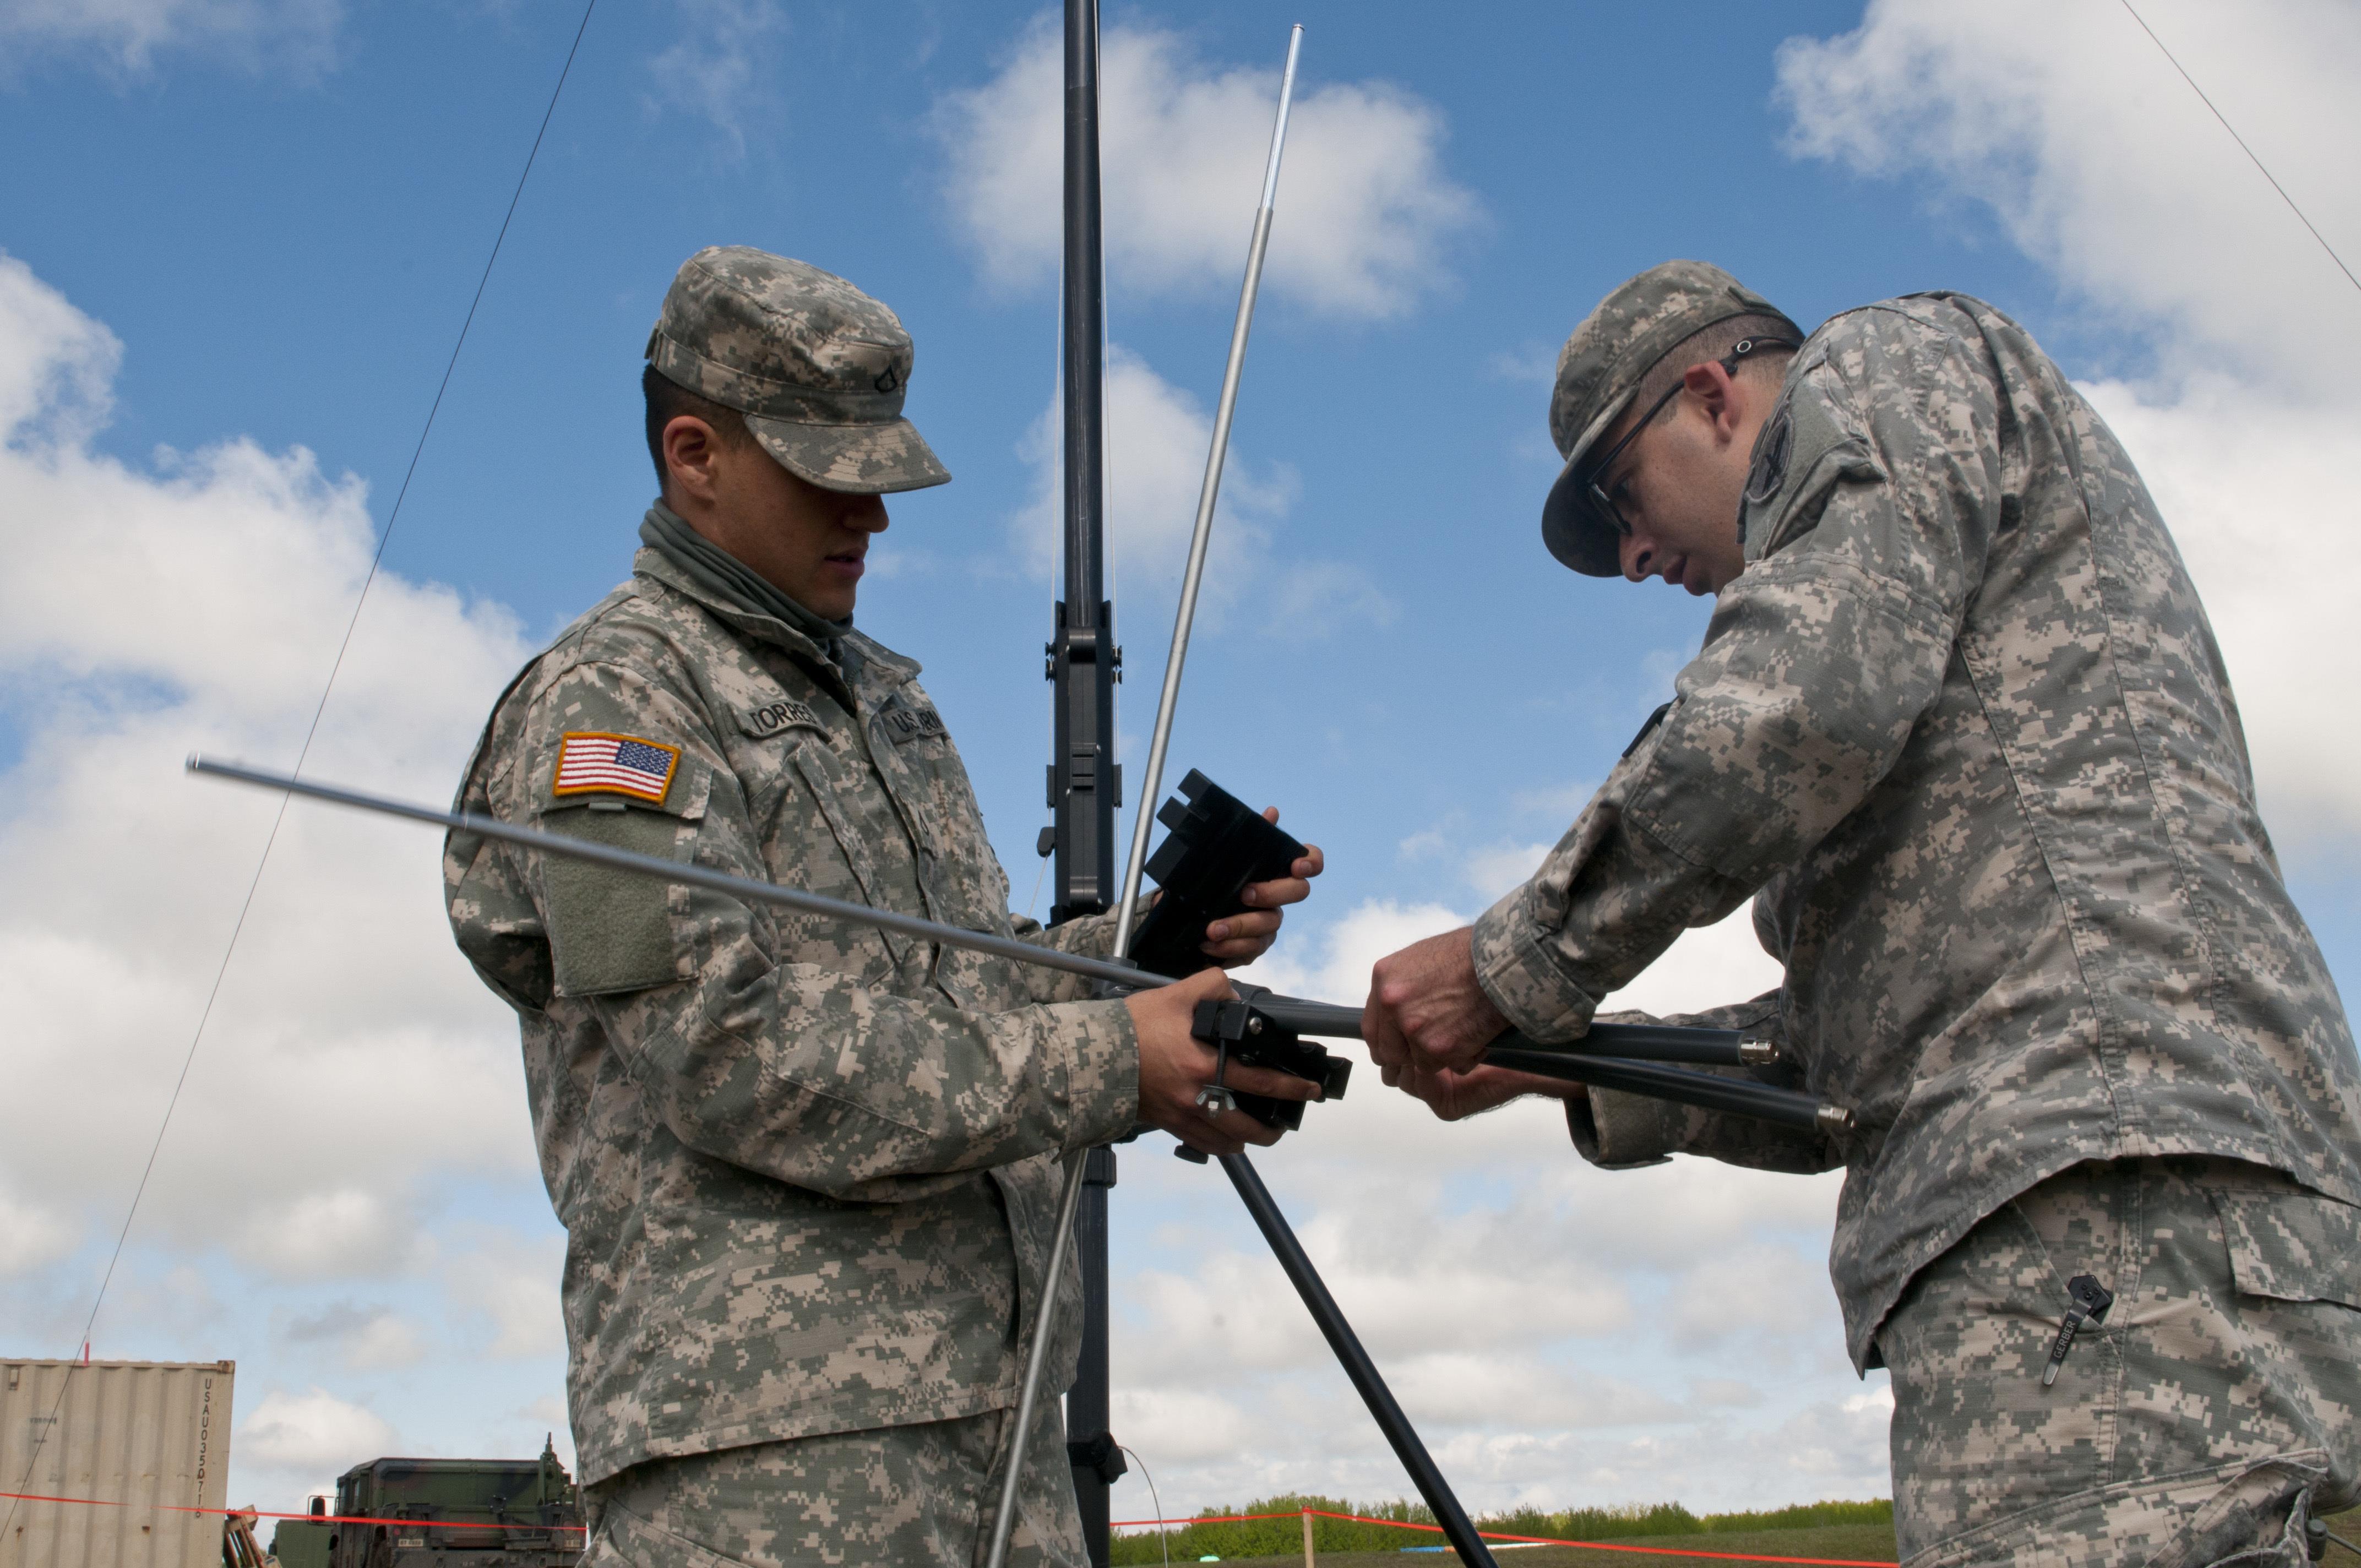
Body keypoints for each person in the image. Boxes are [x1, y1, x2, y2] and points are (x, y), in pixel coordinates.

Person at [1361, 260, 2361, 1567]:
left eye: (1619, 495)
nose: (1630, 556)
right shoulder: (1906, 658)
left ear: (1712, 395)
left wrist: (1511, 962)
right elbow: (1844, 1047)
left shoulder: (1888, 363)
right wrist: (1556, 1065)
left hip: (2101, 1194)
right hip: (2083, 1219)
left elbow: (1801, 695)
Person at [443, 246, 1324, 1568]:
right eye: (829, 476)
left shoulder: (879, 698)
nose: (873, 517)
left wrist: (1134, 964)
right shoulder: (610, 709)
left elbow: (954, 985)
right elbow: (723, 1051)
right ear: (696, 454)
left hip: (997, 1421)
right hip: (774, 1468)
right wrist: (1109, 1059)